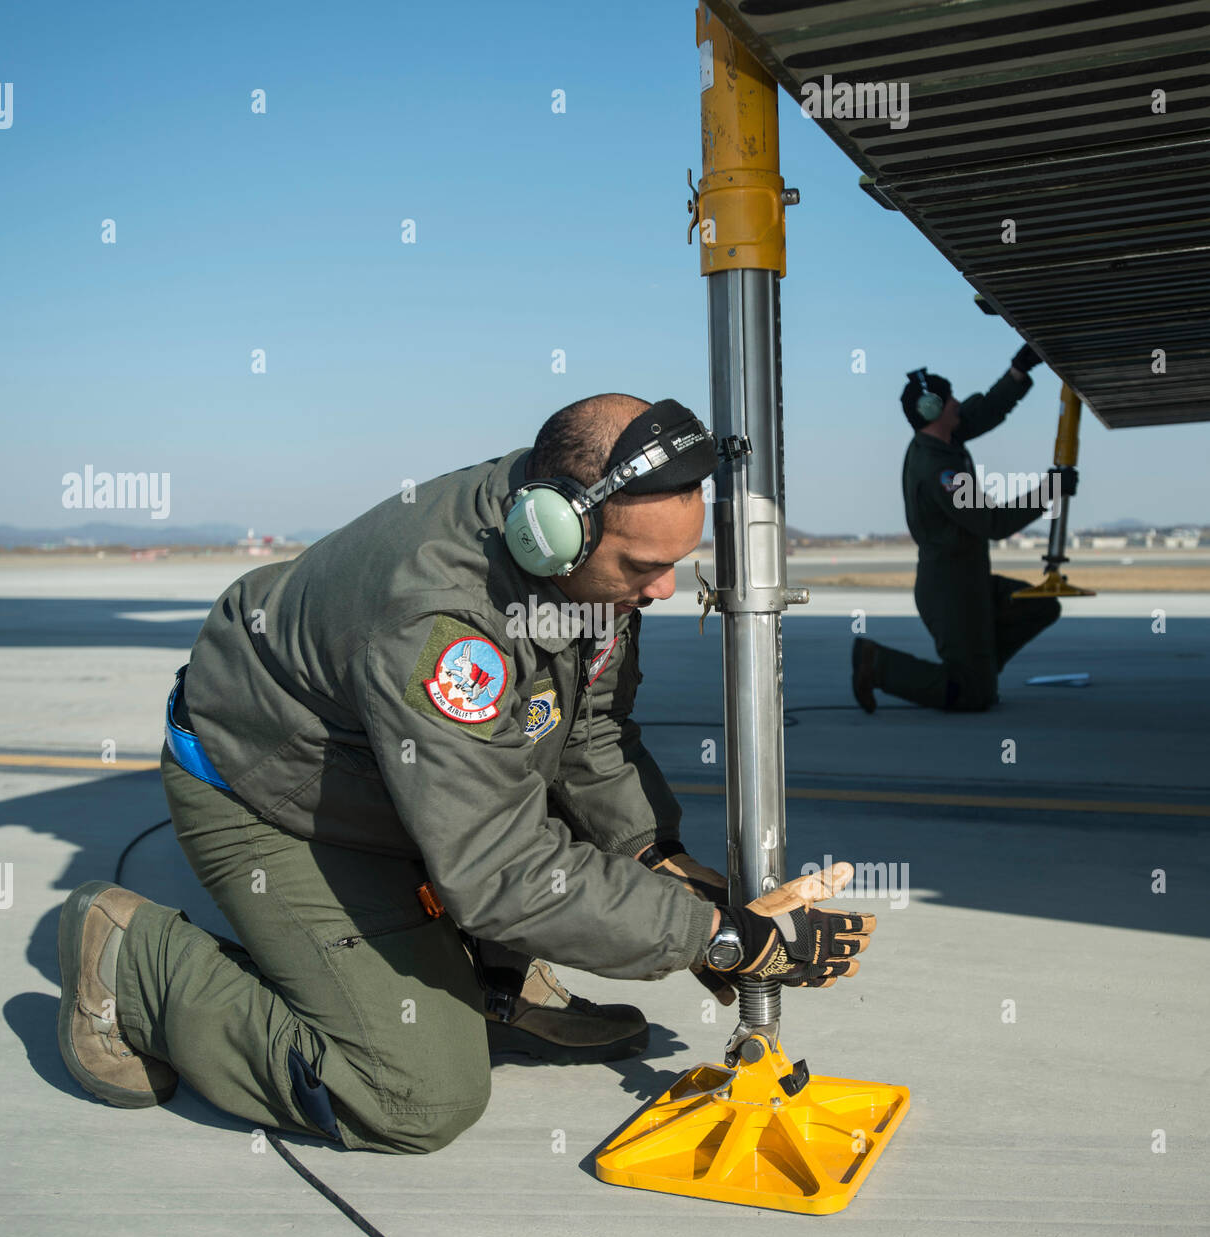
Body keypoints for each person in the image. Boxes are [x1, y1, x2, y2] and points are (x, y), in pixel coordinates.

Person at [57, 393, 874, 1154]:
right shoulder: (442, 622)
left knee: (558, 845)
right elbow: (497, 869)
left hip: (389, 781)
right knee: (416, 1094)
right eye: (641, 567)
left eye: (675, 563)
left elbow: (584, 727)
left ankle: (487, 981)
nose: (663, 588)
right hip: (274, 794)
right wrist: (715, 935)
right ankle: (134, 961)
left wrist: (659, 862)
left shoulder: (581, 556)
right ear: (554, 530)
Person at [852, 347, 1075, 713]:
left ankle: (980, 669)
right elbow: (992, 522)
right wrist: (1050, 490)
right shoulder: (942, 471)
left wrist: (1017, 371)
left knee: (1041, 607)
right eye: (950, 398)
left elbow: (985, 410)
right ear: (931, 410)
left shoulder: (944, 440)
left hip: (970, 579)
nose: (957, 402)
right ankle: (877, 664)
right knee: (973, 696)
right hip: (950, 589)